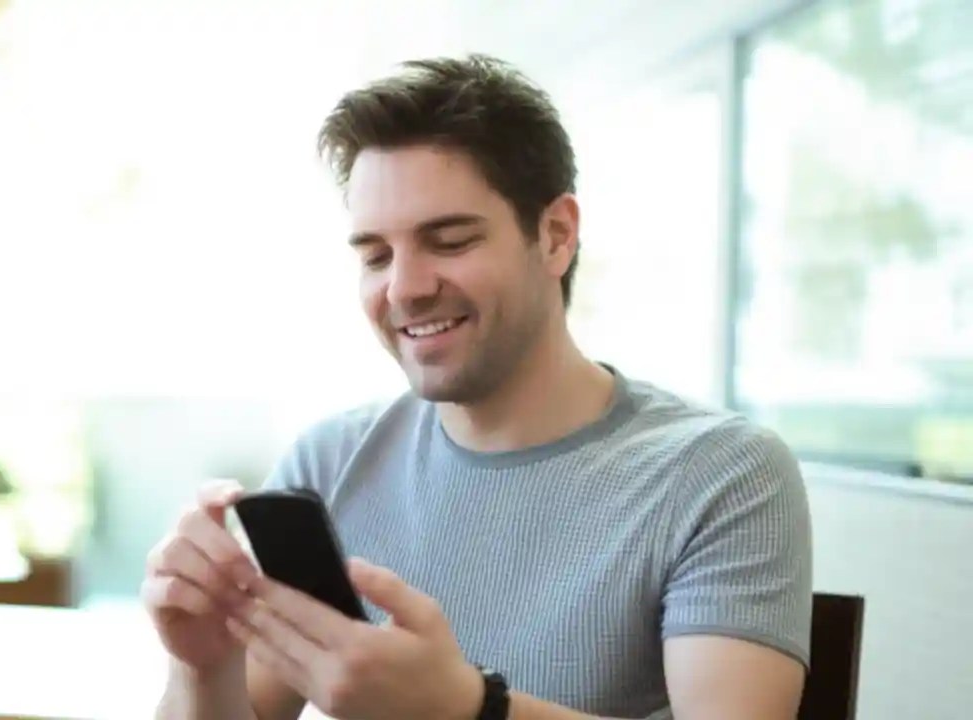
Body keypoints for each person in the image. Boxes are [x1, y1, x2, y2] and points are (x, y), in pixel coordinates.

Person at [143, 54, 812, 720]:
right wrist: (203, 670)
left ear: (556, 236)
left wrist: (468, 707)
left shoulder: (719, 472)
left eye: (450, 241)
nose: (403, 289)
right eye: (376, 255)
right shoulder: (331, 461)